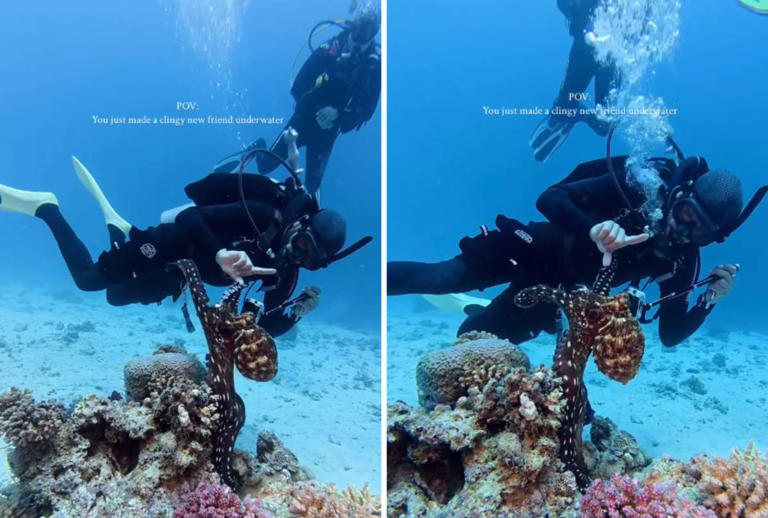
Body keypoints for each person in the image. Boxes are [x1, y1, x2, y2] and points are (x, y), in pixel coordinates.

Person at [389, 154, 766, 346]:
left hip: (556, 296)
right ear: (681, 194)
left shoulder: (681, 258)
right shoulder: (638, 187)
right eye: (686, 214)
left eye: (699, 230)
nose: (683, 228)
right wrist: (593, 229)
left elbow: (670, 333)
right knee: (438, 278)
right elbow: (549, 198)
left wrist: (709, 299)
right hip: (529, 248)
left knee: (472, 336)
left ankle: (481, 310)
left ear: (712, 236)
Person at [0, 155, 371, 337]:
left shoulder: (286, 270)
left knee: (114, 297)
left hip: (180, 276)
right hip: (171, 244)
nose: (299, 256)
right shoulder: (261, 214)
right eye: (303, 245)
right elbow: (190, 219)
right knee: (88, 280)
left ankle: (118, 228)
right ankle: (47, 208)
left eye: (311, 258)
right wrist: (220, 255)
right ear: (300, 226)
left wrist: (298, 311)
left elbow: (266, 326)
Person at [216, 6, 381, 194]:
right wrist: (318, 106)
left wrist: (338, 114)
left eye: (364, 41)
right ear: (350, 31)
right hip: (302, 121)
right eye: (355, 38)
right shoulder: (327, 51)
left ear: (372, 38)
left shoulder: (374, 68)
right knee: (265, 166)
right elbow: (298, 87)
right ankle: (258, 147)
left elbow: (367, 110)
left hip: (327, 132)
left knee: (313, 186)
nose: (357, 46)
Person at [529, 0, 619, 162]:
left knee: (603, 125)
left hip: (615, 55)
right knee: (562, 111)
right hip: (585, 46)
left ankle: (578, 113)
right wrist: (580, 17)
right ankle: (566, 114)